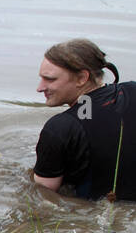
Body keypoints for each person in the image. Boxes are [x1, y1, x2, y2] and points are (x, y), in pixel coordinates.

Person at [32, 38, 135, 201]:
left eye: (50, 79)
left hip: (96, 215)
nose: (40, 88)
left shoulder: (59, 129)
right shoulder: (133, 90)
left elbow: (43, 194)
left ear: (82, 78)